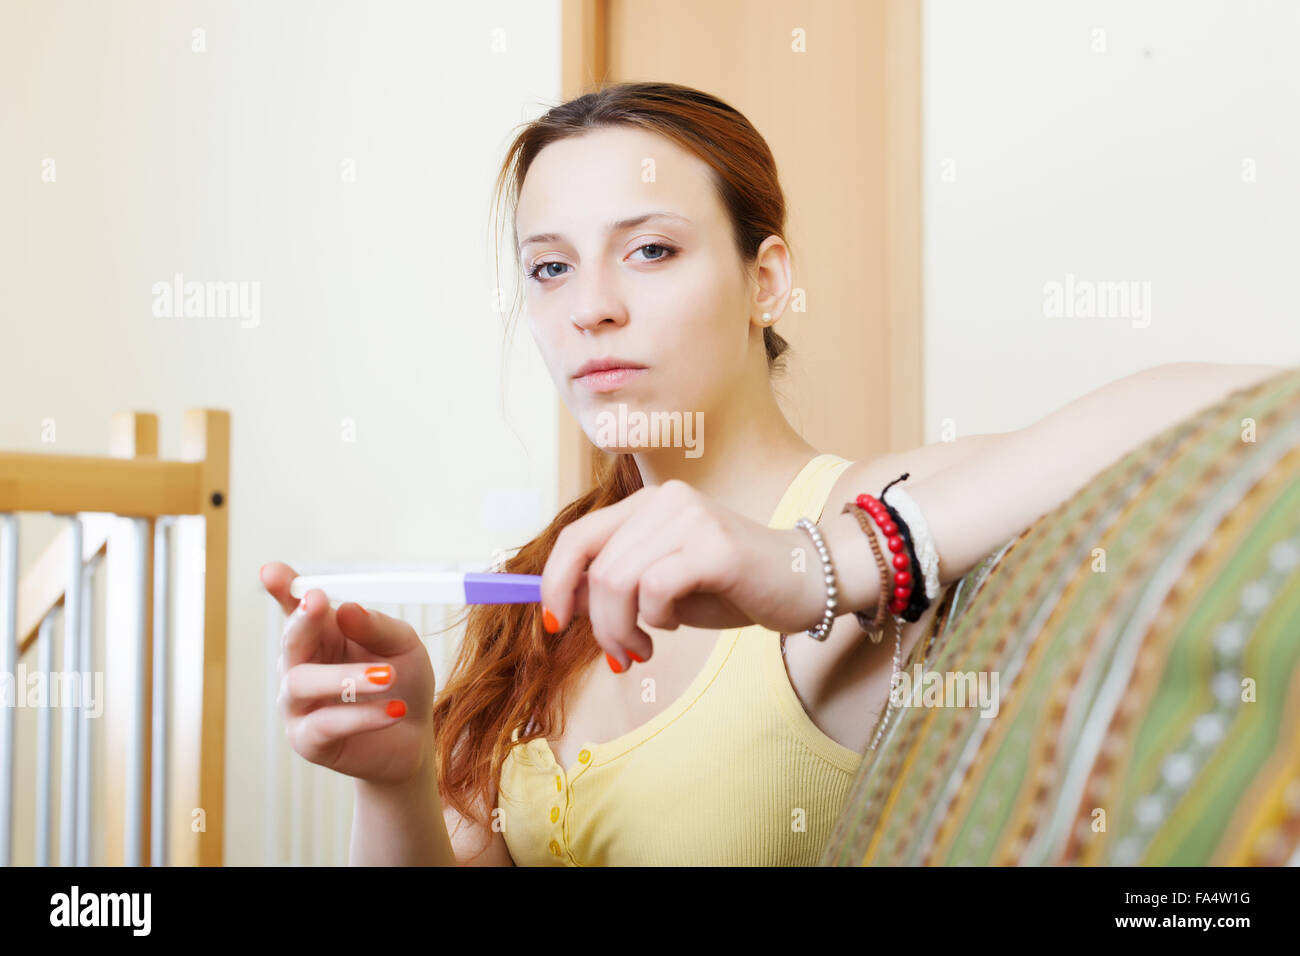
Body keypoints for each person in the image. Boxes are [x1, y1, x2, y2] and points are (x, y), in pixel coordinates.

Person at [260, 81, 1285, 866]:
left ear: (767, 279)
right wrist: (393, 779)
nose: (590, 307)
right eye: (550, 266)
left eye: (651, 250)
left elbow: (1243, 410)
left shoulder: (861, 514)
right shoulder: (543, 586)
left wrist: (818, 564)